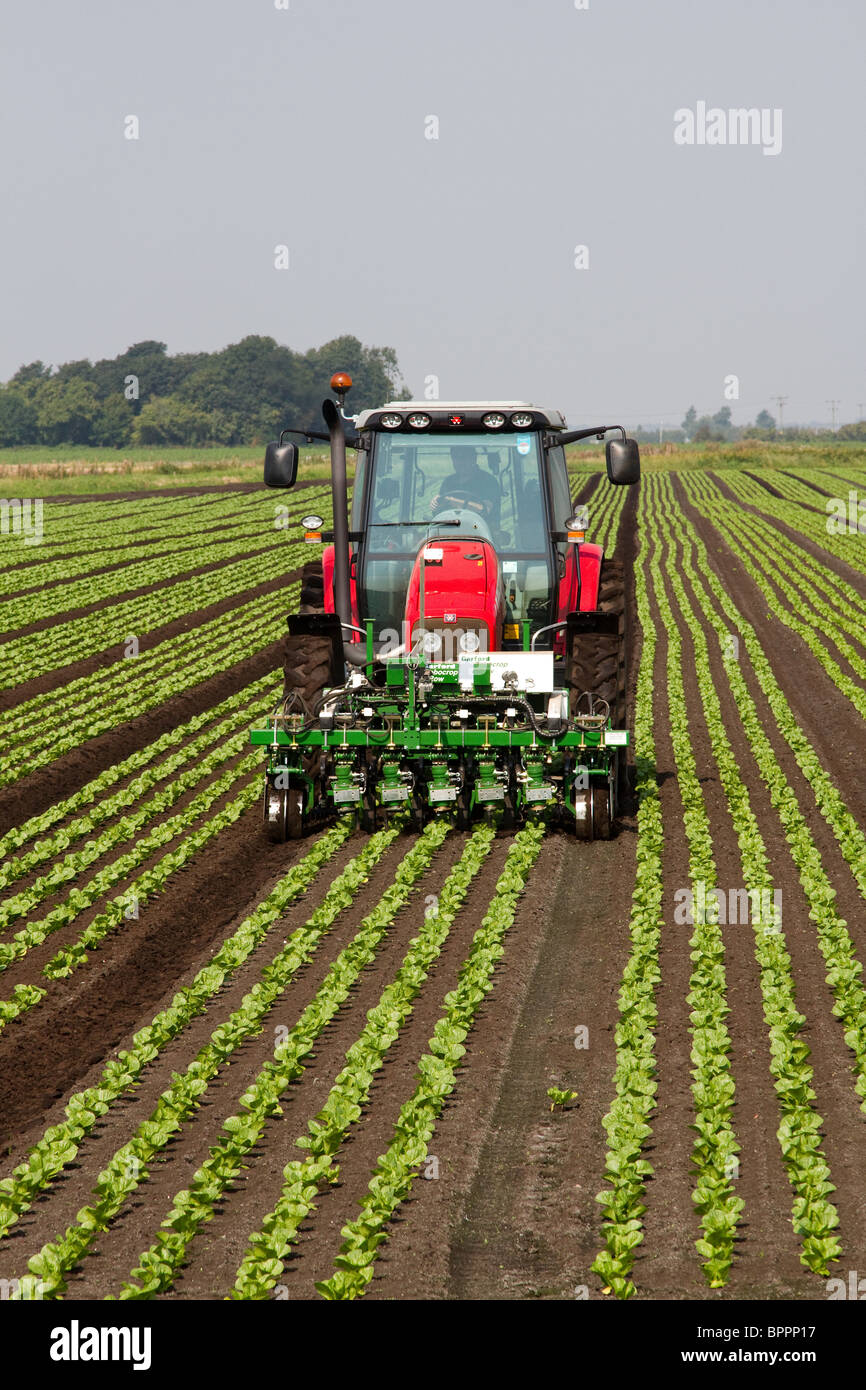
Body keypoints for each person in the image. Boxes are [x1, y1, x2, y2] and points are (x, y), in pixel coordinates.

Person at [431, 446, 500, 520]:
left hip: (483, 529)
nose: (460, 462)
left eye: (464, 457)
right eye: (456, 458)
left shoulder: (488, 481)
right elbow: (441, 509)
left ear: (474, 458)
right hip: (451, 529)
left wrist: (452, 501)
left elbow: (485, 509)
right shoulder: (448, 482)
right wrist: (437, 502)